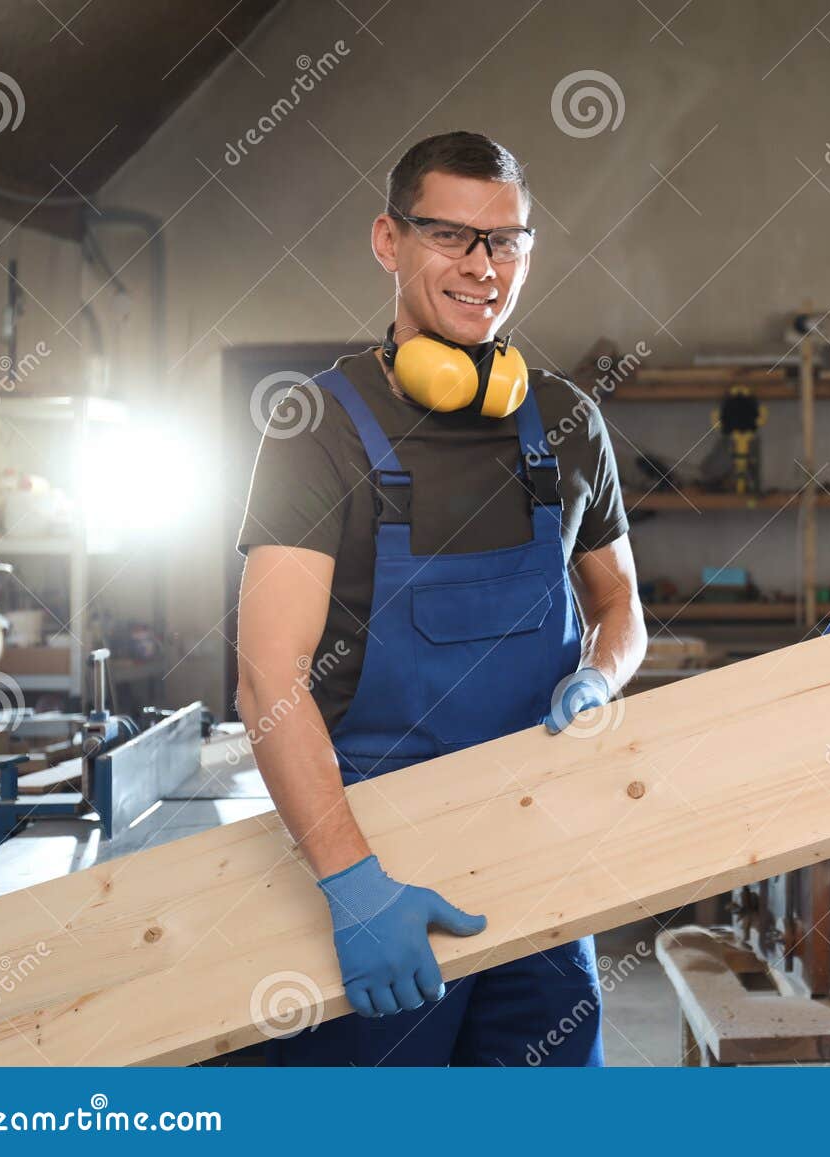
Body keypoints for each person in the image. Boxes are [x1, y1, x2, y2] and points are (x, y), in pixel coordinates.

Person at [235, 130, 646, 1066]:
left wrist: (600, 677)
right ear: (389, 240)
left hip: (540, 865)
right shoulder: (319, 426)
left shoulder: (567, 420)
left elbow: (621, 606)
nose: (481, 266)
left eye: (505, 241)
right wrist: (351, 882)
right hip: (374, 869)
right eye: (449, 235)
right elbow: (267, 680)